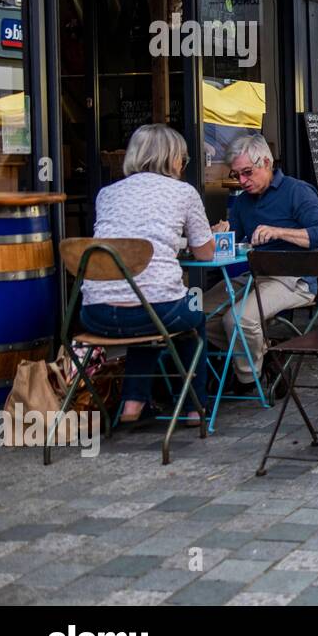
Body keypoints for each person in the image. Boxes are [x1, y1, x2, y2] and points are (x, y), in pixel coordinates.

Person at [78, 124, 214, 425]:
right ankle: (193, 407)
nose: (182, 164)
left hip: (95, 314)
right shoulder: (184, 193)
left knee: (145, 312)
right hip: (155, 311)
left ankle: (133, 402)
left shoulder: (107, 194)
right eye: (183, 158)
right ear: (172, 158)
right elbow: (205, 253)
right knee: (193, 317)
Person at [207, 133, 318, 390]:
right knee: (197, 315)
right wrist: (218, 234)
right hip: (255, 275)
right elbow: (237, 240)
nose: (242, 181)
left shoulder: (297, 191)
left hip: (294, 277)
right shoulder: (243, 201)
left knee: (238, 320)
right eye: (236, 175)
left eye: (247, 172)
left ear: (266, 162)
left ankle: (249, 379)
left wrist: (280, 231)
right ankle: (265, 354)